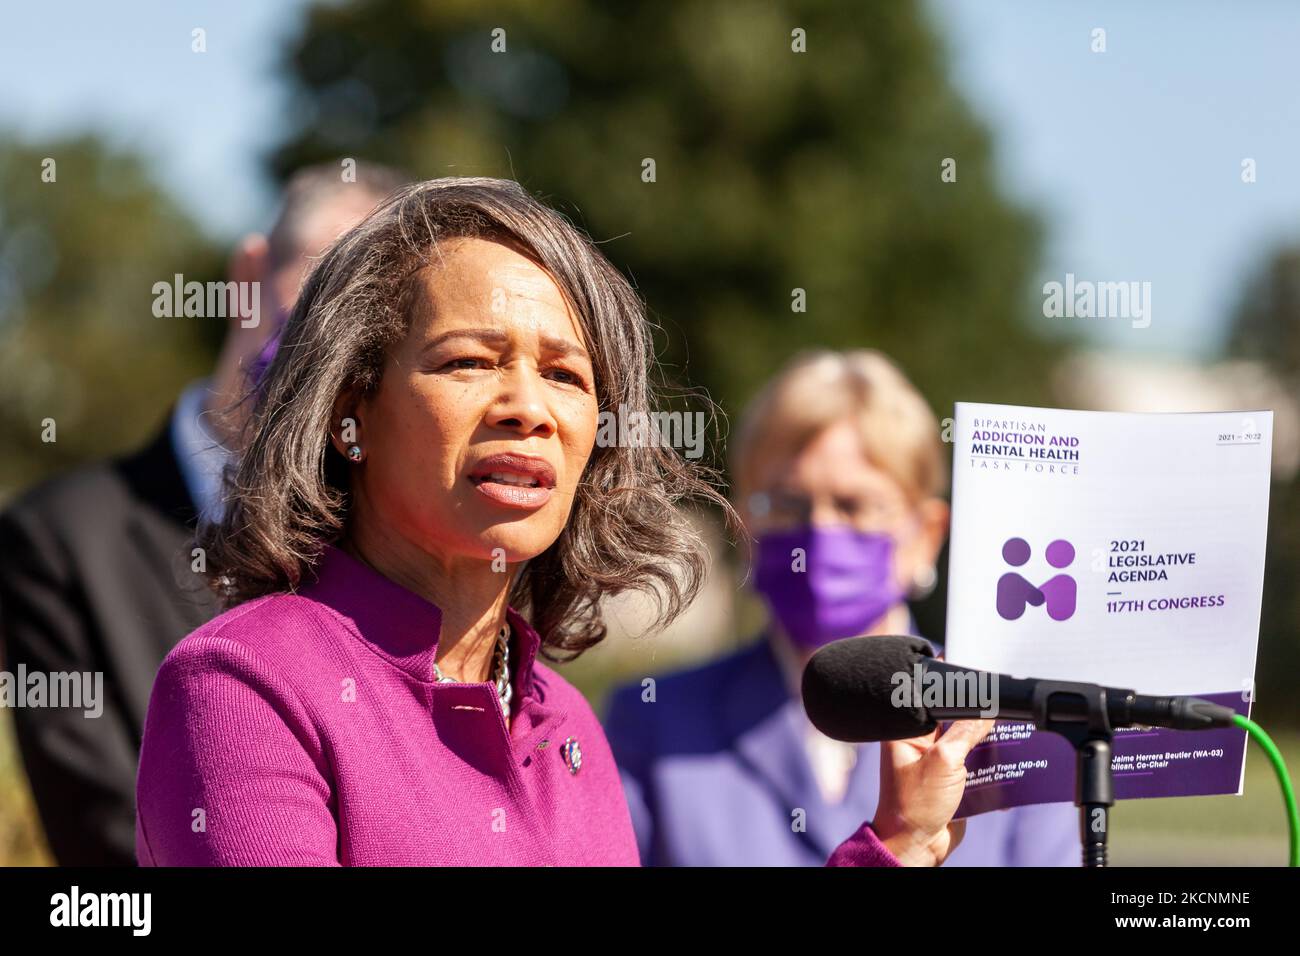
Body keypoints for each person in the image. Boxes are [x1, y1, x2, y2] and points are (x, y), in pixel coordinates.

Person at [134, 178, 993, 866]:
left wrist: (898, 845)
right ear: (348, 409)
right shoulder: (245, 687)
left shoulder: (566, 722)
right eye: (469, 361)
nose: (528, 409)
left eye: (567, 377)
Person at [0, 161, 409, 865]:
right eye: (318, 286)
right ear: (249, 275)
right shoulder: (61, 538)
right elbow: (104, 840)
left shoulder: (400, 545)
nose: (328, 335)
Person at [605, 349, 1081, 866]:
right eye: (786, 504)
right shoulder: (655, 723)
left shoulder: (1013, 726)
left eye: (855, 506)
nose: (821, 533)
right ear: (743, 525)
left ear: (925, 535)